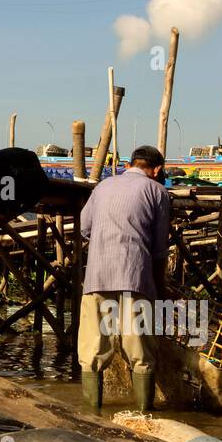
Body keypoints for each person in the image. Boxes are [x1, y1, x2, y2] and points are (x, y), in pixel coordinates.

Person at [77, 145, 171, 412]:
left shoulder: (103, 187)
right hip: (136, 279)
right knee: (140, 350)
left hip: (98, 277)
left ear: (131, 164)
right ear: (157, 170)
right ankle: (143, 417)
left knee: (93, 350)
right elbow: (160, 249)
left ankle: (91, 417)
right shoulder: (157, 191)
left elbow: (85, 229)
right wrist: (160, 288)